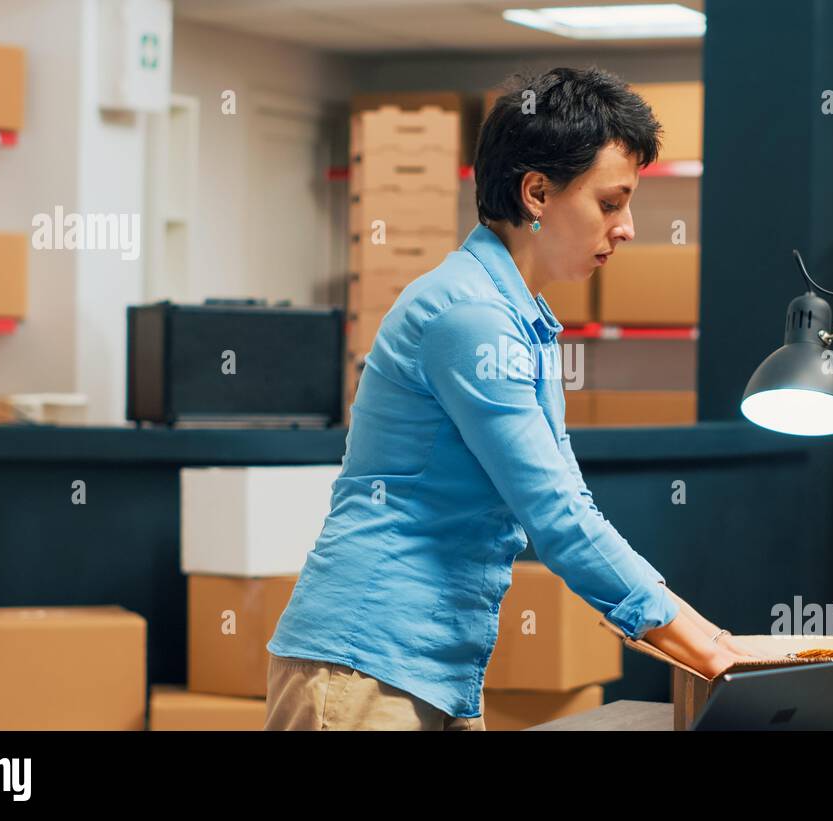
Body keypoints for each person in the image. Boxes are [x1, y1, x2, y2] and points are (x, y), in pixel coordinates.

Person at [264, 67, 754, 731]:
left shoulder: (521, 319)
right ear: (537, 193)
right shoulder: (469, 315)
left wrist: (718, 645)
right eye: (610, 203)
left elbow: (568, 502)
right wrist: (719, 656)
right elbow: (557, 519)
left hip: (430, 670)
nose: (628, 227)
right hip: (366, 667)